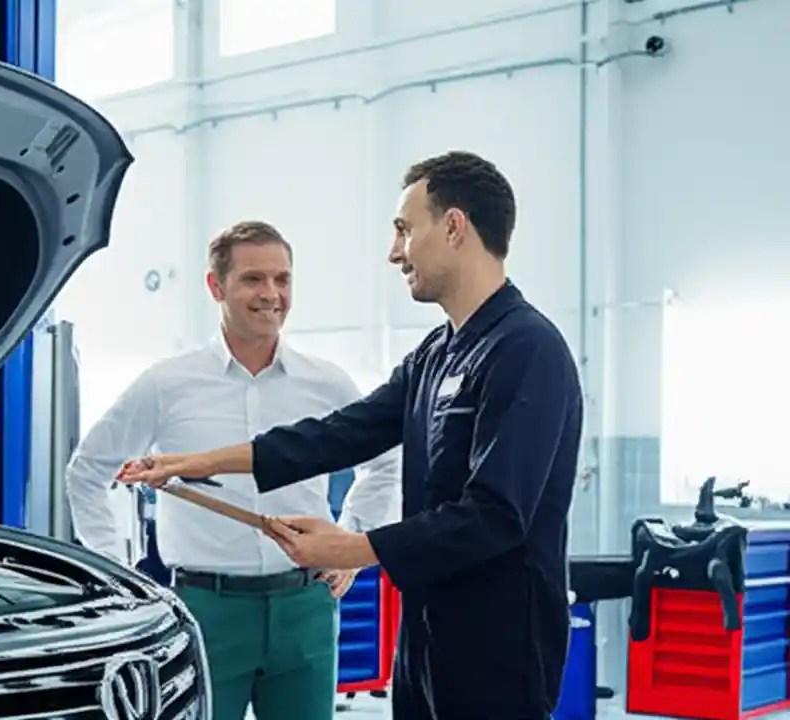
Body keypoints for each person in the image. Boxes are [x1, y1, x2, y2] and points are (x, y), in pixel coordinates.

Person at [118, 152, 583, 720]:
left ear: (455, 226)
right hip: (427, 634)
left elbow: (496, 514)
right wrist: (192, 462)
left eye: (405, 230)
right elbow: (340, 435)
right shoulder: (436, 355)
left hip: (500, 644)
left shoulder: (527, 350)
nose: (395, 252)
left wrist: (354, 549)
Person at [65, 220, 401, 720]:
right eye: (253, 279)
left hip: (305, 607)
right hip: (205, 613)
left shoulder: (326, 384)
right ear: (215, 286)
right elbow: (88, 471)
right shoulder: (167, 384)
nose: (271, 294)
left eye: (282, 279)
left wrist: (352, 544)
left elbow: (386, 463)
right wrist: (123, 577)